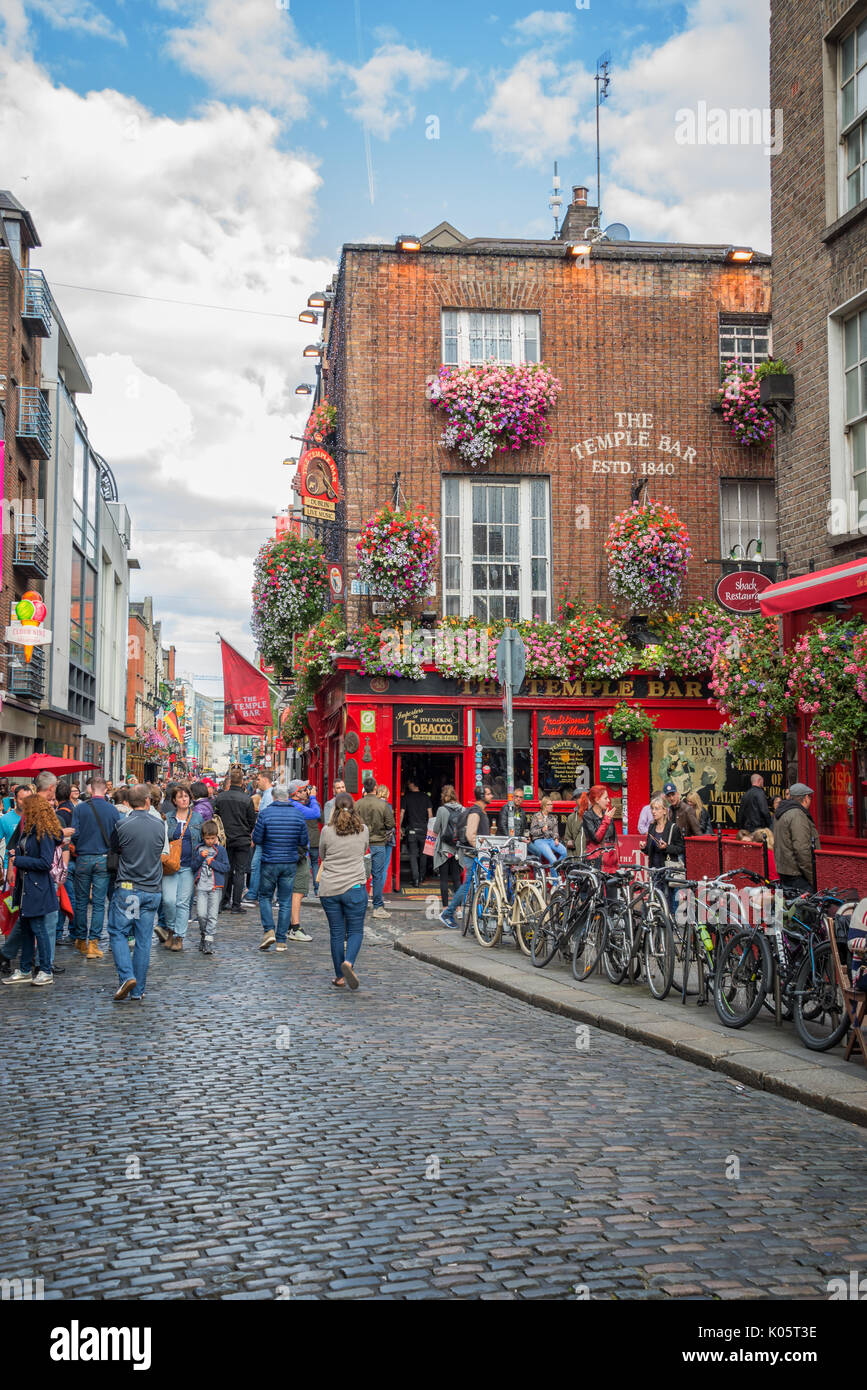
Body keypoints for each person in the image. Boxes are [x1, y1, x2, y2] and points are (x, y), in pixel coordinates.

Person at [106, 784, 171, 1002]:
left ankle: (127, 976)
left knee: (118, 932)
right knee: (144, 940)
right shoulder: (160, 824)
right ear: (147, 801)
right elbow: (161, 849)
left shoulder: (122, 825)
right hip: (152, 889)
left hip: (130, 888)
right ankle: (138, 990)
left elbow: (114, 851)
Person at [1, 793, 63, 987]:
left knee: (38, 929)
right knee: (27, 927)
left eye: (26, 809)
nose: (22, 812)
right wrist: (15, 853)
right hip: (26, 886)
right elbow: (27, 851)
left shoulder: (43, 833)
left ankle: (45, 969)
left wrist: (18, 860)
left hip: (37, 887)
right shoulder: (30, 830)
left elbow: (45, 862)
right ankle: (25, 969)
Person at [318, 793, 370, 989]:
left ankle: (340, 977)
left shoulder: (326, 831)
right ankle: (348, 962)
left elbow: (322, 855)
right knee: (356, 930)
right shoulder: (363, 830)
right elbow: (365, 850)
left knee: (337, 933)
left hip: (330, 888)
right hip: (355, 887)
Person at [70, 776, 122, 960]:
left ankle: (80, 939)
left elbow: (73, 833)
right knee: (99, 903)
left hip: (83, 857)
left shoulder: (80, 808)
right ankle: (93, 942)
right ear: (105, 790)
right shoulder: (112, 810)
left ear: (90, 789)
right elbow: (118, 835)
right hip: (103, 859)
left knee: (82, 901)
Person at [252, 784, 309, 951]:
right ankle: (282, 940)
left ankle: (269, 930)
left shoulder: (265, 813)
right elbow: (303, 840)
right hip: (289, 862)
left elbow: (258, 838)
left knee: (265, 897)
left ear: (275, 797)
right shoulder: (298, 815)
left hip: (270, 860)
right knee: (285, 900)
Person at [439, 785, 492, 929]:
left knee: (476, 885)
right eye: (488, 794)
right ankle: (448, 913)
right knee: (468, 885)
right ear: (481, 796)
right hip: (473, 855)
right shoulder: (475, 812)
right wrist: (481, 849)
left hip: (477, 854)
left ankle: (478, 919)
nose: (491, 796)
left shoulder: (481, 812)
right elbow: (470, 835)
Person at [161, 783, 203, 952]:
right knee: (169, 900)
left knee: (183, 903)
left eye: (186, 796)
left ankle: (179, 936)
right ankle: (171, 928)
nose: (184, 799)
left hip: (188, 866)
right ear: (174, 800)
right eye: (180, 797)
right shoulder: (168, 818)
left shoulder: (197, 818)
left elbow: (201, 840)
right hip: (170, 866)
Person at [215, 770, 257, 913]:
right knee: (239, 872)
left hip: (225, 839)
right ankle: (236, 904)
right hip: (242, 839)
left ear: (230, 781)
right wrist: (246, 831)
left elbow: (217, 817)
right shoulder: (246, 799)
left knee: (226, 870)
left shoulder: (221, 797)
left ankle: (222, 902)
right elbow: (252, 820)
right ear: (242, 782)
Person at [356, 776, 396, 920]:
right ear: (375, 788)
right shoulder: (382, 805)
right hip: (378, 843)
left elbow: (353, 823)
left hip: (361, 843)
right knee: (377, 875)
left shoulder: (358, 804)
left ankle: (360, 903)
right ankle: (378, 907)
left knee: (359, 874)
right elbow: (390, 824)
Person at [194, 820, 230, 954]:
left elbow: (226, 867)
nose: (210, 841)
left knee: (212, 915)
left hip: (216, 887)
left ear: (216, 837)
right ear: (203, 837)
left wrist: (212, 862)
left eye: (212, 838)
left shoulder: (220, 850)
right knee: (201, 914)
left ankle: (209, 940)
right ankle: (203, 934)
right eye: (207, 838)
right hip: (201, 887)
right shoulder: (198, 849)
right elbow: (193, 866)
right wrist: (200, 859)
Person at [774, 783, 818, 892]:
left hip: (785, 871)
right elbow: (802, 849)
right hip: (797, 874)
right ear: (806, 798)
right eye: (810, 797)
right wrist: (813, 877)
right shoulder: (797, 814)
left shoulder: (782, 812)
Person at [580, 785, 619, 894]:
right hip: (596, 862)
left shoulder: (608, 816)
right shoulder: (588, 816)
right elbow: (596, 838)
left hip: (610, 862)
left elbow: (613, 840)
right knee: (598, 899)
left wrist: (616, 860)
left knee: (613, 899)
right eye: (605, 798)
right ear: (597, 800)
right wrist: (606, 820)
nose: (608, 800)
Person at [243, 769, 274, 905]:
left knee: (256, 865)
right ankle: (256, 892)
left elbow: (264, 818)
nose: (257, 782)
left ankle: (253, 893)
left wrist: (255, 835)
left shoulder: (268, 796)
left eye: (259, 779)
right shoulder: (266, 794)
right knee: (259, 865)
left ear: (265, 780)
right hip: (265, 836)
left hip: (264, 837)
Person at [432, 785, 463, 910]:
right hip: (457, 849)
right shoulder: (463, 809)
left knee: (444, 879)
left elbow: (435, 829)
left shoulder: (441, 810)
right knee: (456, 879)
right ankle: (459, 908)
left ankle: (445, 908)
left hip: (444, 849)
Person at [401, 779, 433, 888]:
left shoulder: (407, 797)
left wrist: (399, 826)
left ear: (414, 784)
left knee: (413, 856)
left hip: (412, 830)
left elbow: (402, 813)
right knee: (424, 855)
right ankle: (422, 877)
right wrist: (430, 829)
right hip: (424, 830)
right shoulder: (426, 797)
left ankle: (415, 879)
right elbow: (430, 814)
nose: (408, 784)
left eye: (409, 783)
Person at [529, 796, 568, 865]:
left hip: (550, 840)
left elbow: (555, 831)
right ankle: (554, 874)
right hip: (540, 840)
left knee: (565, 852)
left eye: (551, 804)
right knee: (553, 859)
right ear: (544, 806)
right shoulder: (536, 816)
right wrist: (541, 830)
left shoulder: (553, 818)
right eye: (549, 805)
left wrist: (556, 839)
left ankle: (554, 868)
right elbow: (532, 832)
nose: (551, 806)